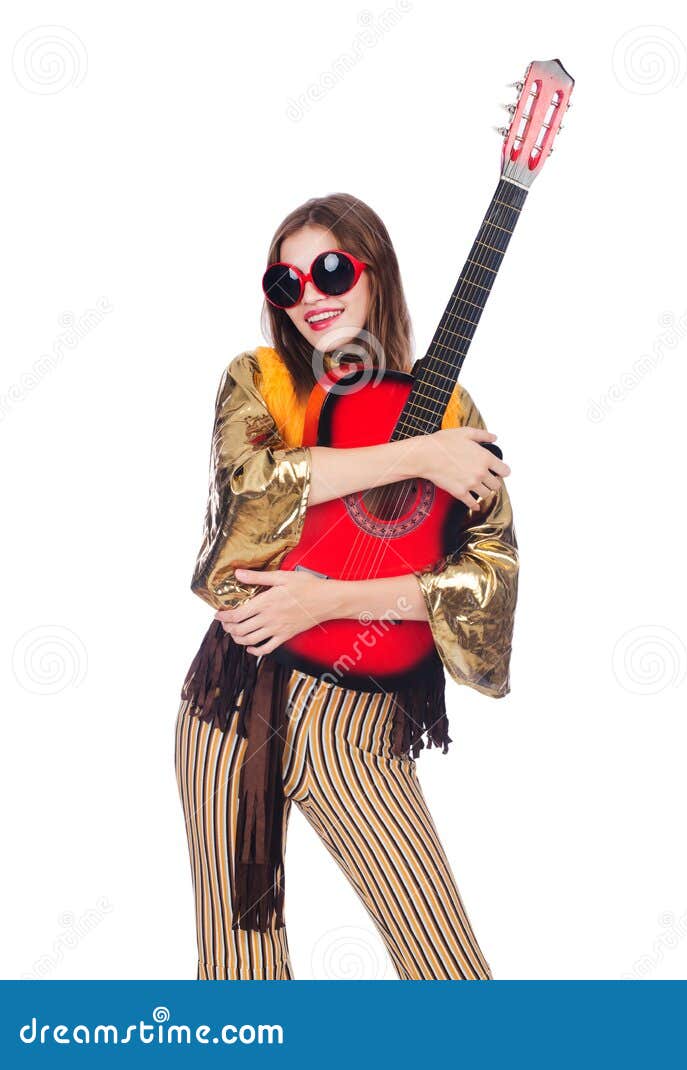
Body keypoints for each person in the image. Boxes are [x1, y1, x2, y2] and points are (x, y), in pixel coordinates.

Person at [175, 193, 518, 979]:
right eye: (286, 282)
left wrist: (330, 600)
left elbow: (487, 582)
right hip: (232, 706)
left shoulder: (449, 407)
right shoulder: (259, 380)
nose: (311, 296)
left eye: (331, 270)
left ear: (375, 273)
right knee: (239, 982)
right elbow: (251, 488)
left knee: (451, 977)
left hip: (359, 729)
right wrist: (417, 456)